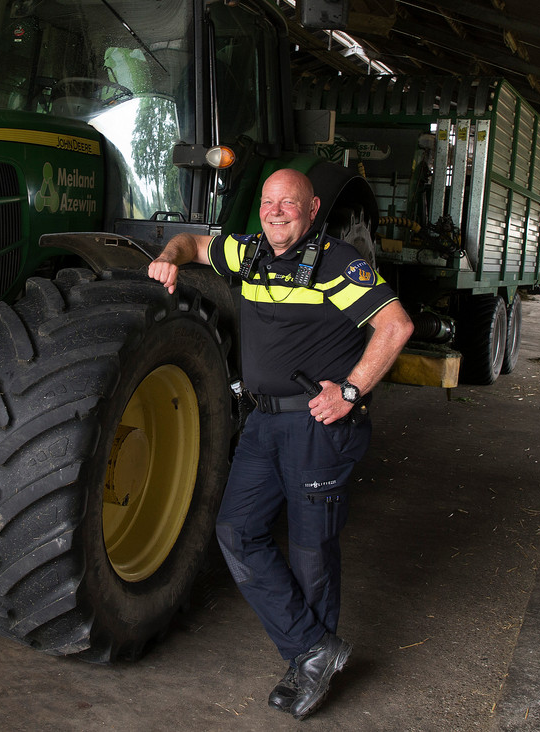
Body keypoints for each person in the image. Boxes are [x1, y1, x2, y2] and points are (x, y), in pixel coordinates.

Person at [148, 168, 413, 719]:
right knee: (235, 530)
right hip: (264, 422)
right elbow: (194, 242)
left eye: (288, 204)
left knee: (311, 549)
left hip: (318, 425)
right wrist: (170, 258)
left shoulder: (339, 263)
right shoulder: (248, 253)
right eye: (268, 203)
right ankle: (312, 649)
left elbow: (396, 327)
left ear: (312, 210)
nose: (275, 212)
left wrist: (350, 390)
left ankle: (310, 667)